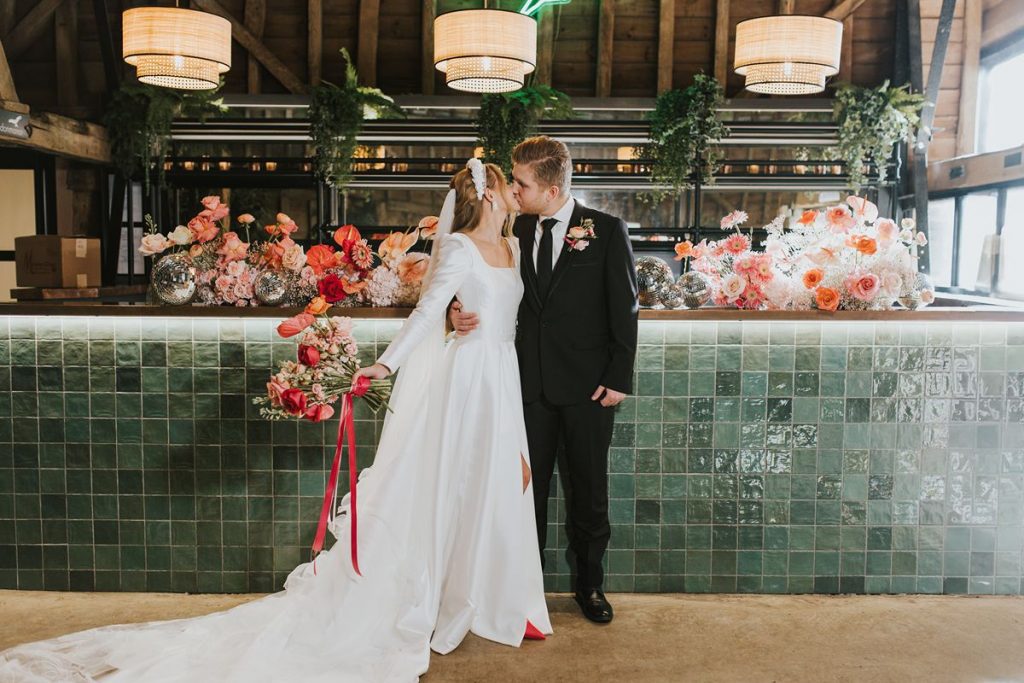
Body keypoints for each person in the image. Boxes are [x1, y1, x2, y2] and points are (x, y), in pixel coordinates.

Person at [0, 159, 551, 683]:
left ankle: (491, 596)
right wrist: (386, 363)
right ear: (489, 194)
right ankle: (446, 598)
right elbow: (427, 311)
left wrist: (465, 319)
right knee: (454, 483)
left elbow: (503, 311)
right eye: (509, 186)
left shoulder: (511, 244)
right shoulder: (456, 247)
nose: (514, 195)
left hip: (501, 375)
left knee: (498, 483)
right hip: (465, 381)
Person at [451, 136, 639, 624]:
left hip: (589, 390)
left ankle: (590, 587)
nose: (514, 189)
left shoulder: (607, 230)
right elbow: (485, 285)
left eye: (521, 182)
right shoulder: (516, 232)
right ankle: (523, 592)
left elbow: (626, 309)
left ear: (552, 189)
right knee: (522, 494)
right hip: (526, 388)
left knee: (589, 492)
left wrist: (618, 377)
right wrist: (457, 310)